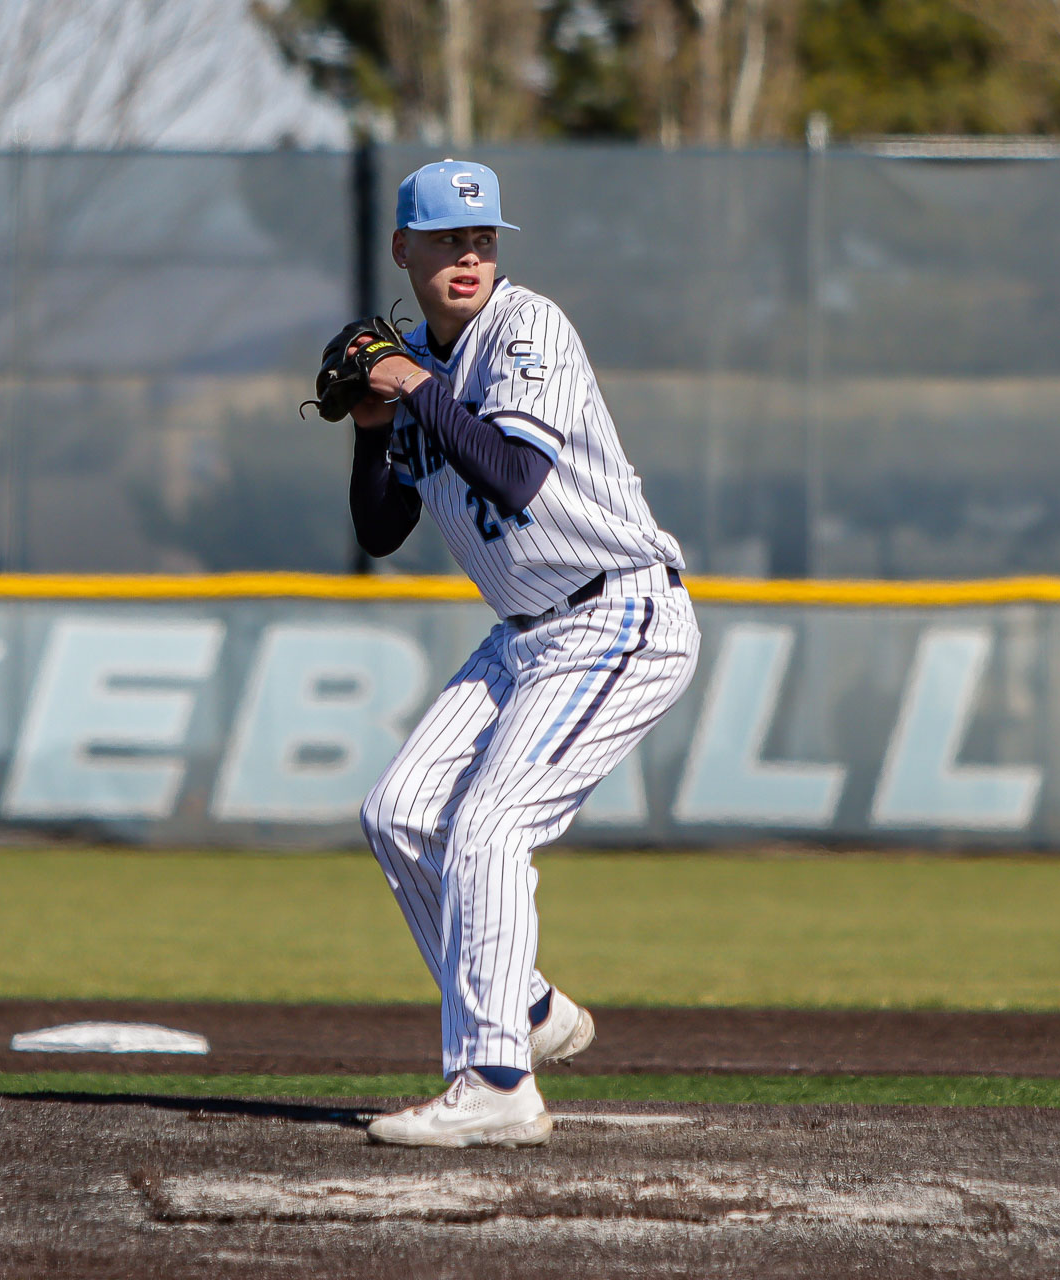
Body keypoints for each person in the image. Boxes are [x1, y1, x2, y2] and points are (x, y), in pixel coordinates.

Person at [346, 161, 701, 1147]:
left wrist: (410, 385)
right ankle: (530, 1007)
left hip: (616, 614)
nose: (469, 257)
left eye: (483, 240)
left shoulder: (527, 330)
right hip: (525, 635)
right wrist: (375, 426)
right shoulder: (417, 357)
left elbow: (511, 476)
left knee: (490, 825)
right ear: (403, 251)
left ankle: (497, 1076)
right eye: (449, 240)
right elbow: (381, 530)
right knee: (399, 813)